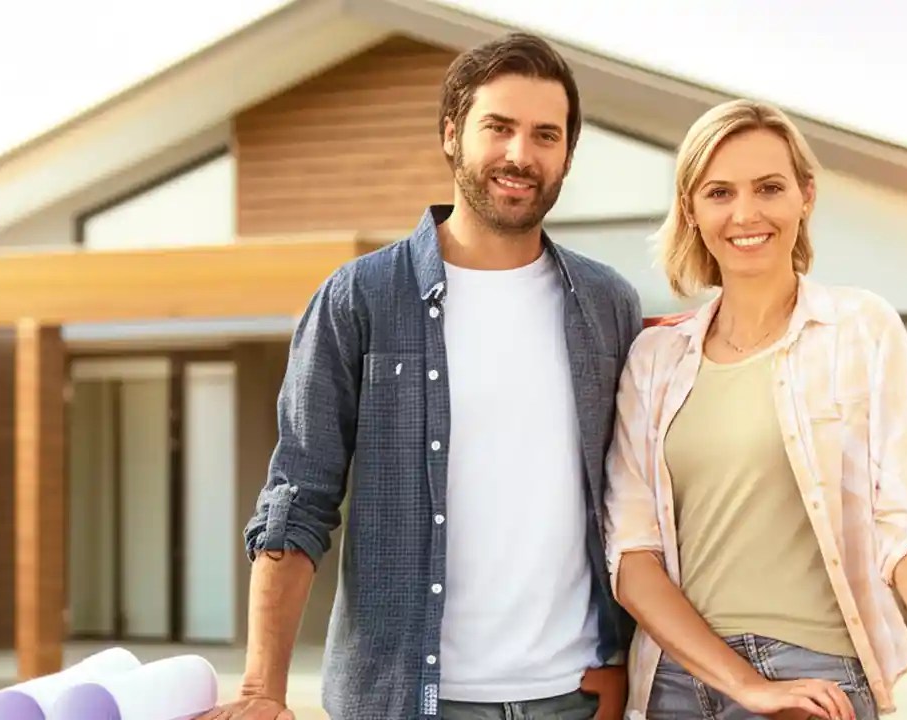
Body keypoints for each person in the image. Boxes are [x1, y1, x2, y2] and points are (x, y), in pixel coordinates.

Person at [199, 32, 641, 720]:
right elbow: (298, 497)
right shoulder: (361, 298)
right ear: (451, 134)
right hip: (404, 700)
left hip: (572, 698)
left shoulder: (608, 305)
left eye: (545, 135)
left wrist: (626, 669)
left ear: (567, 155)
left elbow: (636, 503)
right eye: (498, 127)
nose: (520, 155)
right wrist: (262, 690)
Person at [603, 99, 907, 720]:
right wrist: (745, 685)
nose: (746, 213)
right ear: (691, 210)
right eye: (719, 193)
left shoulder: (859, 329)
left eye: (769, 188)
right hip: (676, 684)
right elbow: (633, 558)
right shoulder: (655, 358)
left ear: (806, 196)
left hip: (814, 678)